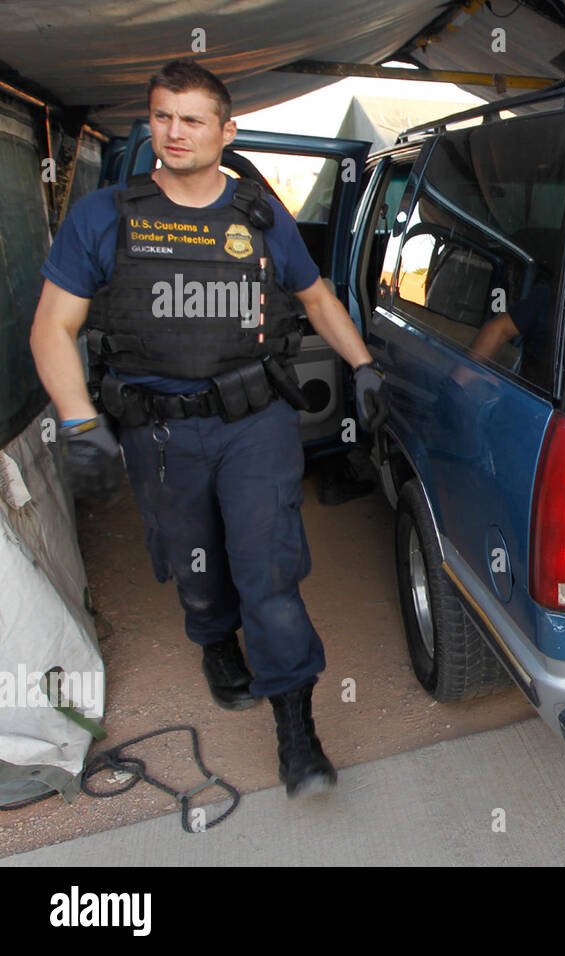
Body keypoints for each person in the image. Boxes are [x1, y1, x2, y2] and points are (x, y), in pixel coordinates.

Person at [28, 59, 387, 799]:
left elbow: (315, 297)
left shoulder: (258, 214)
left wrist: (363, 366)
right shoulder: (105, 215)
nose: (175, 132)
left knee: (273, 573)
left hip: (254, 425)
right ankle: (215, 640)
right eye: (162, 116)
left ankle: (298, 735)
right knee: (194, 564)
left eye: (192, 119)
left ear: (226, 131)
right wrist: (80, 422)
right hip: (157, 434)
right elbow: (51, 330)